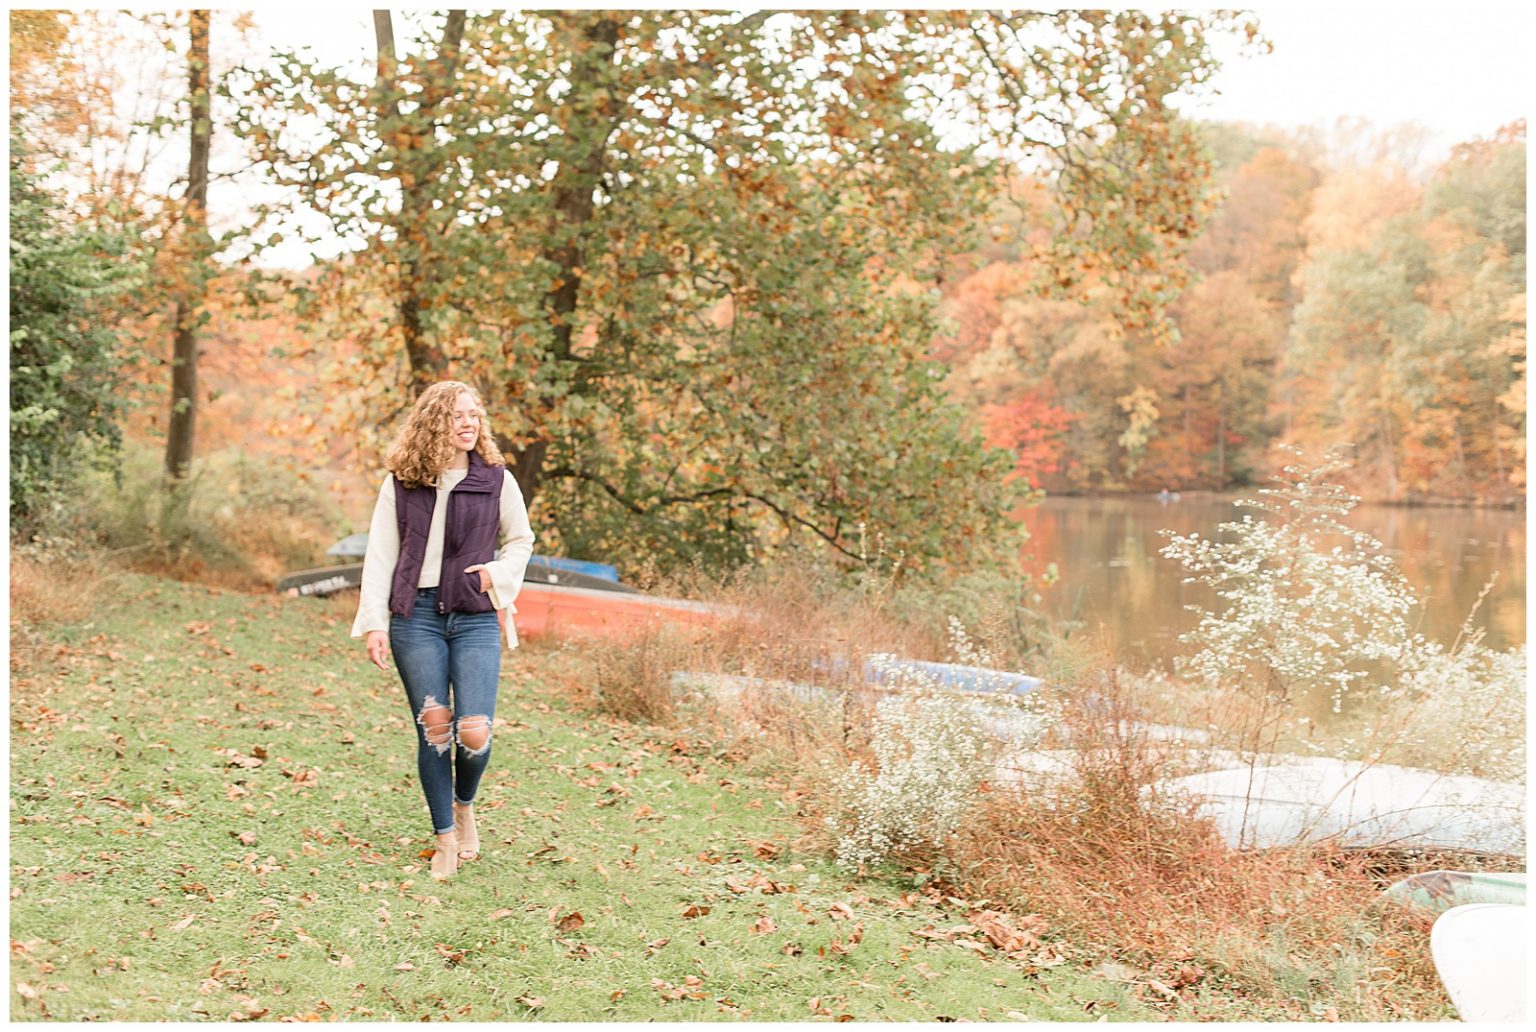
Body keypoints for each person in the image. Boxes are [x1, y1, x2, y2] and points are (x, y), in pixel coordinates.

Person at [351, 381, 535, 880]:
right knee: (435, 728)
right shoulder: (403, 482)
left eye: (474, 414)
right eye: (457, 415)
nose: (469, 423)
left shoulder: (497, 479)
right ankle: (445, 841)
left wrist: (497, 574)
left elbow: (521, 539)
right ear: (434, 421)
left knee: (474, 734)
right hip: (417, 616)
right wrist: (374, 623)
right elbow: (381, 555)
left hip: (474, 615)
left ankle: (464, 804)